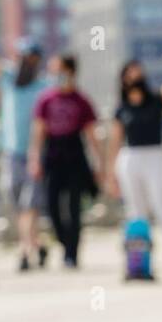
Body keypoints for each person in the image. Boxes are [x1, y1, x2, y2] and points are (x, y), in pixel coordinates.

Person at [106, 52, 162, 281]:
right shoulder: (121, 108)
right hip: (129, 158)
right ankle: (138, 267)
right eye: (131, 71)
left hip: (154, 156)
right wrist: (110, 175)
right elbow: (115, 141)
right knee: (136, 216)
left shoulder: (156, 98)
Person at [27, 54, 108, 269]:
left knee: (73, 208)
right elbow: (38, 132)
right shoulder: (45, 99)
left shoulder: (81, 101)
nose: (55, 75)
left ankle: (72, 254)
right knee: (52, 207)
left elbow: (92, 135)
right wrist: (34, 158)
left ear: (71, 72)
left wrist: (100, 165)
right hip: (52, 155)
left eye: (59, 70)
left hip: (74, 156)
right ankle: (64, 242)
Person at [0, 38, 51, 272]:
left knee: (30, 204)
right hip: (10, 153)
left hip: (34, 154)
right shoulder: (8, 80)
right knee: (19, 204)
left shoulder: (44, 87)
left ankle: (24, 251)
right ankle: (37, 244)